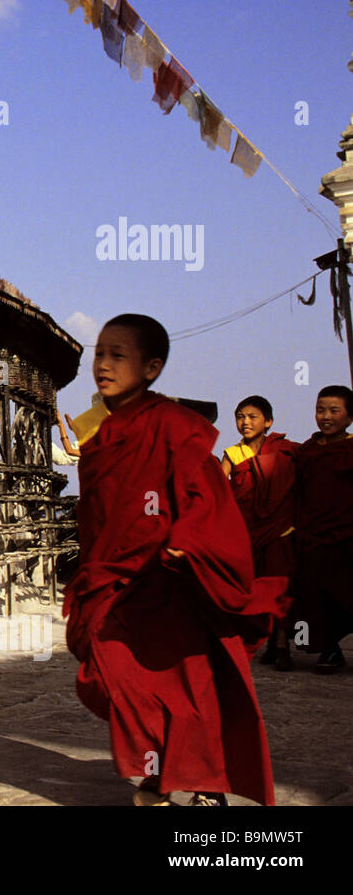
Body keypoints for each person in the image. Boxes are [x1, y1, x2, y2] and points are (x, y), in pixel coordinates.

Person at [62, 314, 287, 807]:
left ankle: (204, 785)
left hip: (172, 579)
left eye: (119, 355)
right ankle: (155, 773)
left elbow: (204, 492)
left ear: (152, 367)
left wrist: (189, 539)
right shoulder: (100, 439)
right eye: (100, 353)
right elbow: (98, 515)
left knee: (189, 686)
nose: (103, 364)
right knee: (113, 679)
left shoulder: (174, 424)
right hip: (117, 583)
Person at [219, 396, 299, 670]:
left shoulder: (285, 451)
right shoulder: (232, 454)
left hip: (280, 531)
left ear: (268, 422)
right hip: (246, 533)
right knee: (253, 589)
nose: (245, 422)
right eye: (240, 416)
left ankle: (281, 642)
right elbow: (217, 492)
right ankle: (265, 640)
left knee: (280, 587)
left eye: (252, 417)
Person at [291, 384, 353, 674]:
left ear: (349, 417)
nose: (325, 417)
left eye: (333, 411)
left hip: (347, 536)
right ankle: (329, 650)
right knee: (315, 596)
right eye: (320, 410)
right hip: (312, 535)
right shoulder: (306, 452)